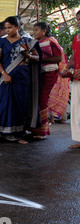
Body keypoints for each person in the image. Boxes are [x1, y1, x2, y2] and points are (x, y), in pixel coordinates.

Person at [0, 16, 41, 144]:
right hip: (6, 77)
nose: (7, 30)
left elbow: (37, 58)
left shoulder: (27, 41)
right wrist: (4, 74)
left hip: (22, 78)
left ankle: (18, 135)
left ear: (18, 27)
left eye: (10, 27)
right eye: (6, 28)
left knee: (19, 105)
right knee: (4, 104)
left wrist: (28, 55)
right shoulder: (1, 42)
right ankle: (0, 133)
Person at [31, 22, 65, 140]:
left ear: (44, 31)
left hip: (49, 73)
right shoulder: (36, 43)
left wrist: (41, 59)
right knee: (37, 99)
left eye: (36, 30)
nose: (34, 32)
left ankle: (42, 130)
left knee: (42, 99)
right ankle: (36, 128)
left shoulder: (51, 41)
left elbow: (58, 58)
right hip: (40, 73)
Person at [63, 10, 80, 148]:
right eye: (77, 19)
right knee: (75, 108)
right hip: (77, 78)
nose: (78, 22)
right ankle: (79, 139)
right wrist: (67, 68)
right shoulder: (76, 38)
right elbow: (74, 57)